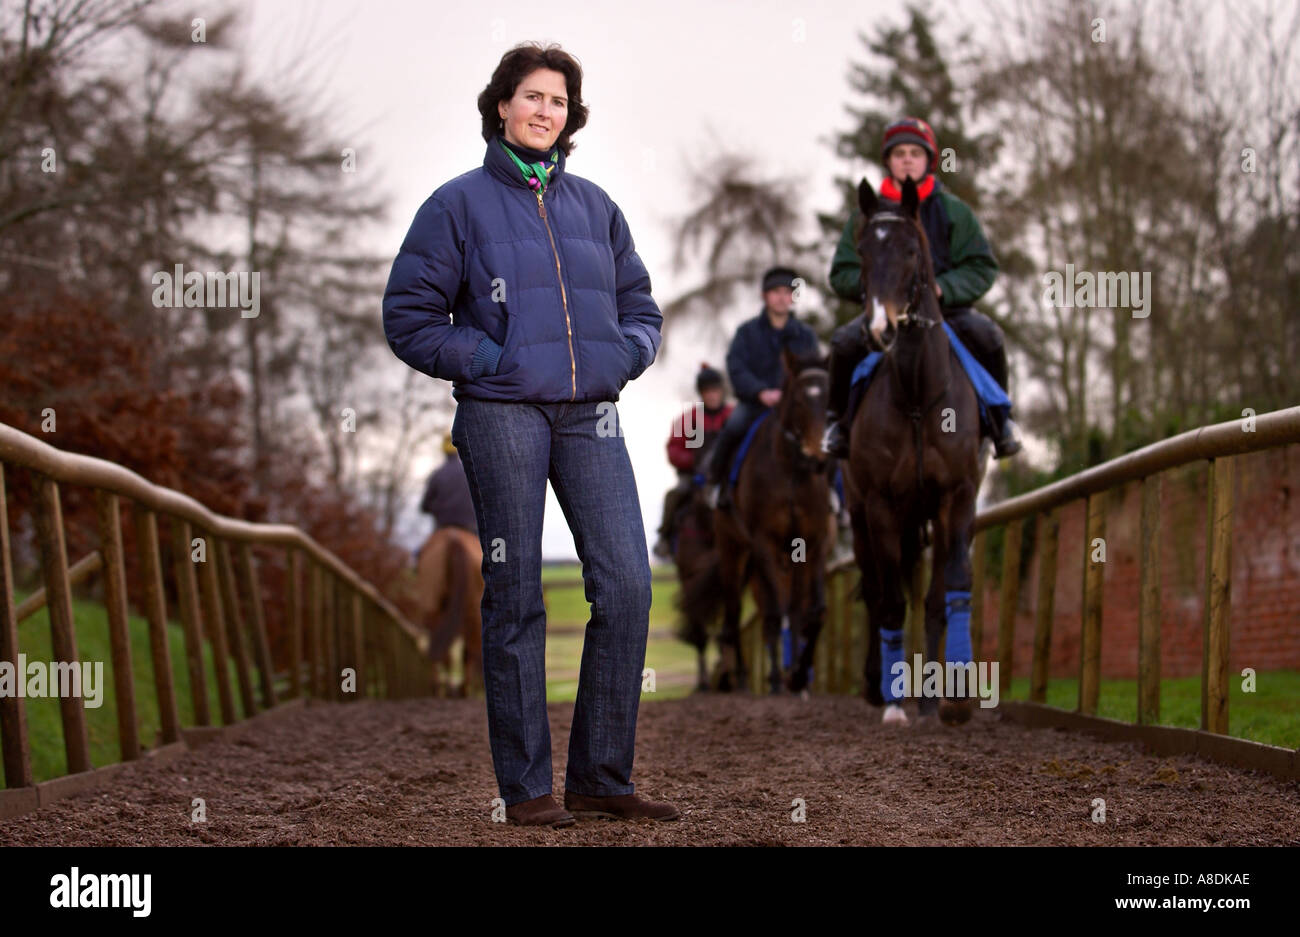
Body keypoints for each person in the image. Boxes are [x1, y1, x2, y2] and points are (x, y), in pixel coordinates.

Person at [382, 41, 678, 828]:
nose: (546, 111)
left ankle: (602, 776)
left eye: (558, 101)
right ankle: (527, 788)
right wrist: (488, 360)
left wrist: (631, 353)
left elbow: (641, 305)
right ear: (502, 107)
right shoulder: (456, 204)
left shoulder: (596, 207)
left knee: (627, 582)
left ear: (569, 117)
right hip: (502, 413)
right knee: (514, 596)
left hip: (593, 414)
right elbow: (408, 317)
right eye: (532, 97)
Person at [821, 116, 1022, 460]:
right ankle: (837, 426)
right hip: (886, 311)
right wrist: (878, 290)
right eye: (899, 153)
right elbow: (841, 272)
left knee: (989, 337)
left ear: (929, 159)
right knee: (842, 343)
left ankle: (1001, 422)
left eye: (915, 152)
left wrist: (945, 288)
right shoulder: (864, 216)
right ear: (888, 161)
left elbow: (982, 266)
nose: (908, 159)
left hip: (945, 312)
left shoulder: (954, 210)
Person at [703, 266, 821, 509]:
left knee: (825, 436)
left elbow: (814, 372)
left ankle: (833, 496)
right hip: (755, 403)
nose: (781, 297)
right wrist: (760, 392)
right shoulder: (747, 332)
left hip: (797, 406)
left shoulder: (805, 335)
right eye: (775, 291)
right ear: (764, 296)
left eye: (787, 292)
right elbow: (736, 366)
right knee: (733, 427)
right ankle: (718, 486)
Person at [652, 363, 732, 559]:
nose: (712, 395)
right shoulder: (688, 419)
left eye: (715, 391)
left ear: (721, 392)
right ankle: (664, 537)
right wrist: (693, 462)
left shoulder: (733, 416)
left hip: (726, 475)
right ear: (701, 393)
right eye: (707, 391)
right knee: (675, 495)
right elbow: (673, 449)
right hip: (694, 475)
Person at [419, 432, 479, 537]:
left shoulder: (437, 474)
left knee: (418, 553)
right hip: (470, 528)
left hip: (442, 527)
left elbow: (425, 506)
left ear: (443, 450)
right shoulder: (471, 473)